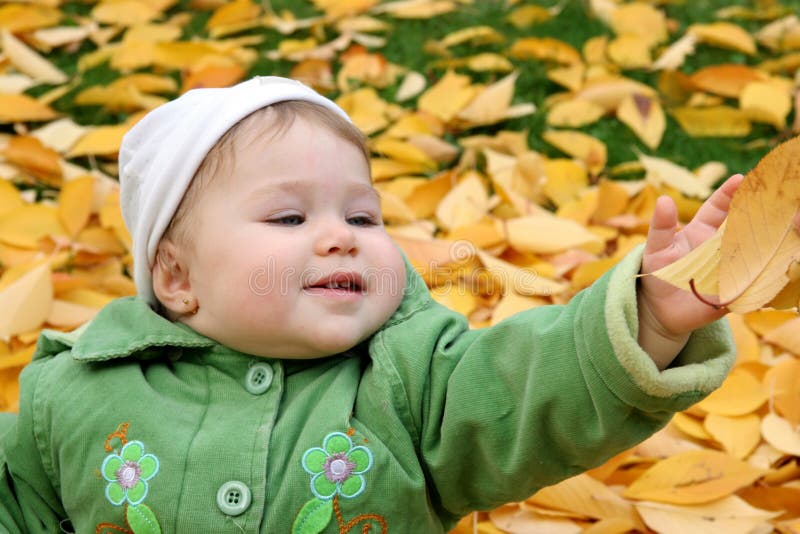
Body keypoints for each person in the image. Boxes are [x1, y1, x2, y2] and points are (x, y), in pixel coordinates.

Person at [0, 76, 738, 533]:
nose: (339, 240)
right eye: (290, 220)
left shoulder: (416, 378)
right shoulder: (76, 391)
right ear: (176, 278)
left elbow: (525, 390)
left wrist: (645, 316)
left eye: (363, 218)